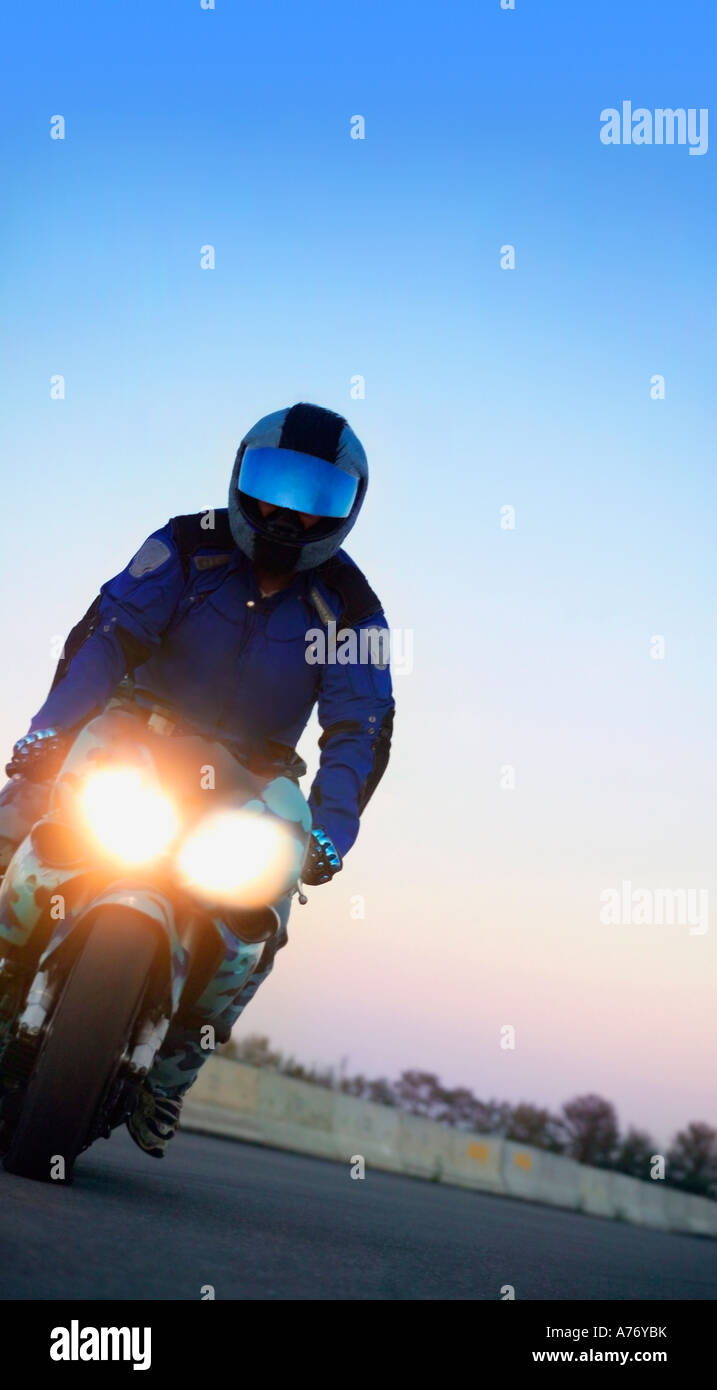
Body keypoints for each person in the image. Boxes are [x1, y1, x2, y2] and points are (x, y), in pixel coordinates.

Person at [0, 403, 395, 1156]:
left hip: (256, 774)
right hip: (133, 731)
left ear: (348, 508)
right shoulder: (186, 543)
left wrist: (329, 831)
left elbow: (360, 728)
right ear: (242, 473)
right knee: (18, 812)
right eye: (274, 484)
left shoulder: (354, 609)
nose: (287, 512)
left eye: (317, 498)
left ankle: (168, 1080)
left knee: (266, 906)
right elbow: (107, 634)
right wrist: (49, 730)